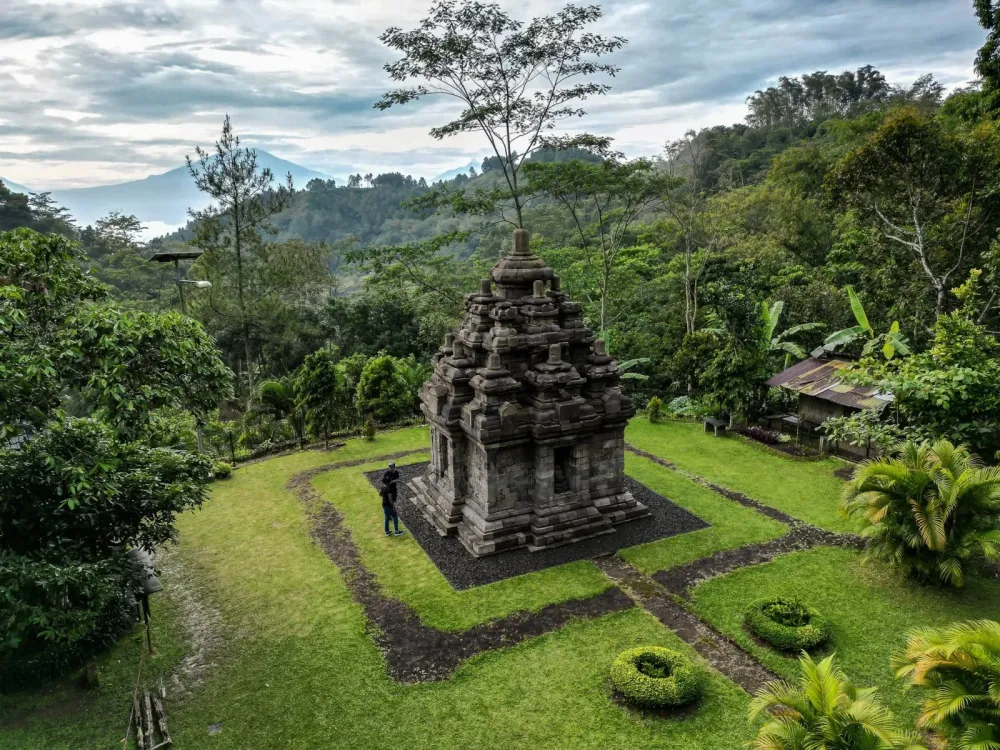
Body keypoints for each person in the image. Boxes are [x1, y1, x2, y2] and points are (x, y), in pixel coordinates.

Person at [380, 462, 404, 537]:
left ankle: (387, 532)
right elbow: (390, 500)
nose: (391, 468)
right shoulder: (389, 489)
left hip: (384, 504)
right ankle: (396, 531)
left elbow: (380, 494)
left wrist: (385, 496)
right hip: (389, 504)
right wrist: (393, 507)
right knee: (395, 517)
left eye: (392, 466)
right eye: (390, 467)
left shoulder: (383, 488)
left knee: (386, 518)